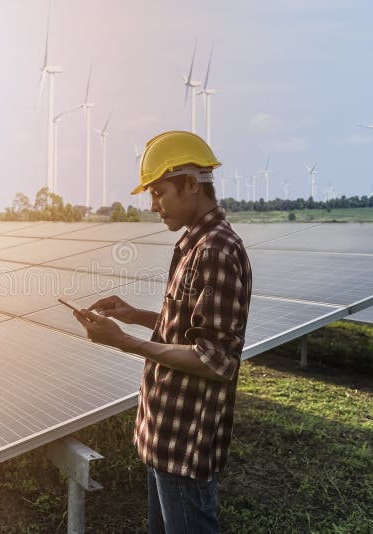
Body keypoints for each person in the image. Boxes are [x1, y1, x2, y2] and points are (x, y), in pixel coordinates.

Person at [72, 130, 252, 533]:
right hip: (165, 432)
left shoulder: (216, 251)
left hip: (185, 441)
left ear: (192, 185)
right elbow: (189, 330)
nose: (153, 205)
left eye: (159, 192)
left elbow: (215, 359)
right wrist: (133, 315)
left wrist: (124, 341)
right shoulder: (194, 242)